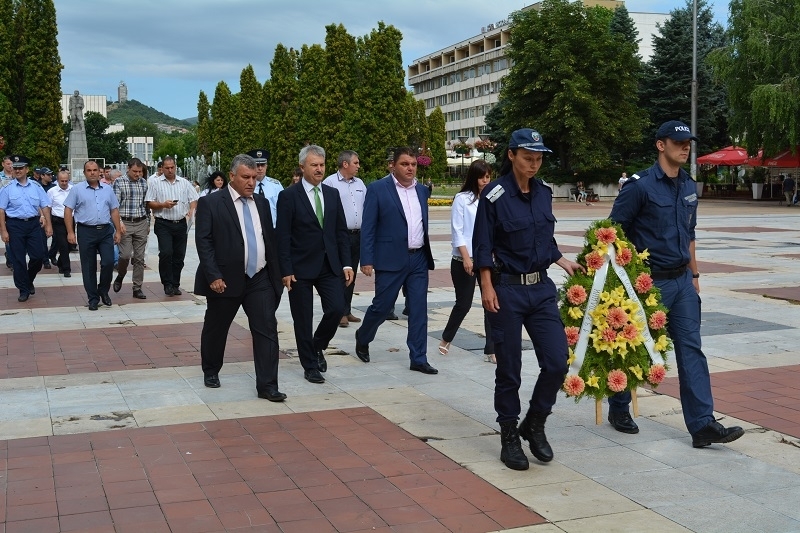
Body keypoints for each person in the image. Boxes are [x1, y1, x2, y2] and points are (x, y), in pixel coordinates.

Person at [608, 120, 745, 448]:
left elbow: (690, 234)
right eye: (678, 142)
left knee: (691, 350)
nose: (685, 147)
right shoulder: (639, 186)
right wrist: (625, 281)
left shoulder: (688, 185)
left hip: (682, 282)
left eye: (688, 143)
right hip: (648, 283)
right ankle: (618, 406)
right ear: (660, 145)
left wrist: (695, 276)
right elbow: (613, 232)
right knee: (637, 349)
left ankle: (702, 425)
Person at [472, 128, 582, 471]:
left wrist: (563, 260)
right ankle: (508, 435)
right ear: (511, 155)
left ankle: (534, 423)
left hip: (540, 289)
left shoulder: (543, 194)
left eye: (538, 159)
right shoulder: (494, 195)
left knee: (557, 360)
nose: (534, 165)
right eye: (528, 158)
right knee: (510, 369)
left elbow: (544, 240)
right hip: (506, 290)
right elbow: (481, 246)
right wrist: (486, 287)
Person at [194, 154, 286, 401]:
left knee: (267, 328)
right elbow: (204, 242)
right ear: (232, 176)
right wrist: (213, 275)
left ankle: (267, 385)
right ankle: (211, 369)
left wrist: (279, 274)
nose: (251, 182)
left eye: (254, 178)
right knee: (217, 327)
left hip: (260, 278)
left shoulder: (262, 203)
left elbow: (270, 240)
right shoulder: (212, 203)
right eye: (246, 177)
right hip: (225, 279)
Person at [354, 146, 437, 374]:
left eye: (413, 164)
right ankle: (363, 336)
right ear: (393, 165)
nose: (410, 168)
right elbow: (368, 227)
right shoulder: (378, 189)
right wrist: (366, 259)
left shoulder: (422, 191)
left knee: (418, 309)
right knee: (382, 307)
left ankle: (418, 358)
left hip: (418, 258)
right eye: (405, 164)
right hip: (390, 259)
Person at [277, 145, 353, 384]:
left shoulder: (332, 194)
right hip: (299, 269)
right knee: (303, 319)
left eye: (322, 165)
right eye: (314, 165)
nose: (319, 169)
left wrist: (347, 263)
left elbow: (340, 232)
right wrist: (286, 269)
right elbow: (283, 236)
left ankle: (317, 345)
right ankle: (310, 366)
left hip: (329, 265)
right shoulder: (288, 196)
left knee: (336, 308)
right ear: (302, 167)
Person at [439, 159, 495, 363]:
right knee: (464, 304)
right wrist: (466, 258)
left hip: (487, 260)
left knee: (491, 303)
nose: (486, 180)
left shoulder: (492, 199)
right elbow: (458, 231)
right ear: (474, 177)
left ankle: (491, 349)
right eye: (482, 177)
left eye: (488, 176)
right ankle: (447, 338)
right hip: (464, 259)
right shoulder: (462, 199)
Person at [64, 160, 122, 310]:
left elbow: (114, 210)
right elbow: (68, 211)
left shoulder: (107, 189)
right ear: (84, 173)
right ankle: (93, 298)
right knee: (89, 266)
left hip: (105, 231)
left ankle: (103, 290)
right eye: (89, 170)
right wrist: (70, 232)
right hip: (86, 231)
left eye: (95, 170)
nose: (92, 173)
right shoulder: (77, 189)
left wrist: (118, 230)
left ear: (99, 172)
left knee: (109, 262)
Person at [0, 155, 53, 302]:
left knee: (37, 257)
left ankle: (29, 279)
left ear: (27, 169)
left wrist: (48, 225)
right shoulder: (7, 188)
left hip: (33, 224)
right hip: (14, 225)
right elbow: (1, 210)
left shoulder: (36, 187)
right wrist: (3, 230)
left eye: (20, 168)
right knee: (18, 260)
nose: (17, 170)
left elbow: (45, 206)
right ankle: (23, 289)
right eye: (15, 168)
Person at [322, 150, 366, 328]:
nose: (358, 166)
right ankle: (338, 311)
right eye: (355, 163)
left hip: (358, 235)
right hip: (339, 236)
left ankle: (346, 309)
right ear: (345, 164)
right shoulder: (330, 182)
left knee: (352, 274)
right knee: (340, 273)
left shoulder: (360, 183)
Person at [145, 155, 198, 296]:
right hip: (163, 223)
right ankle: (167, 283)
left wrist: (192, 208)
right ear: (162, 168)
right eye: (166, 168)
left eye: (172, 167)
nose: (169, 170)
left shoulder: (184, 183)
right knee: (166, 253)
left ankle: (175, 284)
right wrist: (163, 205)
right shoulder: (155, 183)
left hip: (180, 223)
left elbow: (194, 198)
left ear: (175, 167)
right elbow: (149, 202)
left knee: (179, 256)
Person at [113, 158, 150, 299]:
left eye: (140, 172)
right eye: (135, 171)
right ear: (128, 168)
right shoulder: (119, 182)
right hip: (125, 223)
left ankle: (137, 287)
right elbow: (114, 206)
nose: (137, 174)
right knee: (125, 255)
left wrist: (147, 222)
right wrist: (119, 223)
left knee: (139, 258)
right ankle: (121, 275)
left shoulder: (144, 183)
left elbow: (147, 205)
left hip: (140, 222)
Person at [46, 170, 74, 277]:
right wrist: (48, 223)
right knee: (63, 245)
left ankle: (61, 261)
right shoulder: (52, 192)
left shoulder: (73, 190)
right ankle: (66, 269)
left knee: (71, 245)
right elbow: (48, 208)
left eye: (66, 181)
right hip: (58, 220)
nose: (64, 183)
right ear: (57, 180)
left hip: (71, 220)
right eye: (62, 181)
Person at [247, 149, 283, 227]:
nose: (260, 168)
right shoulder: (247, 186)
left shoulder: (276, 185)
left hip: (274, 229)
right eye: (257, 165)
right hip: (254, 228)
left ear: (266, 166)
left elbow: (283, 208)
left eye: (262, 165)